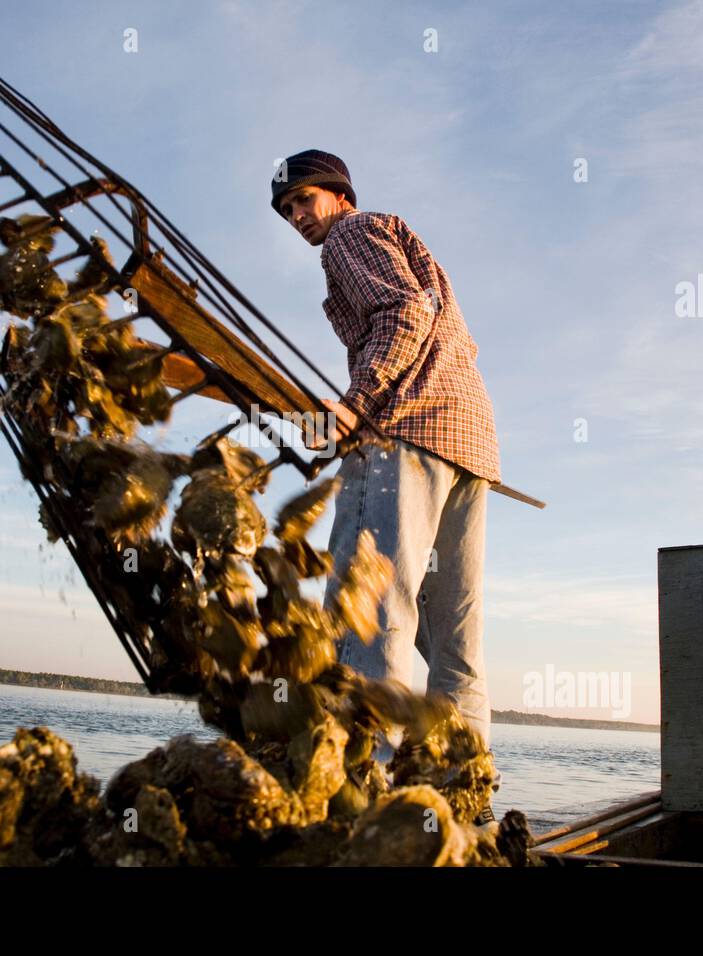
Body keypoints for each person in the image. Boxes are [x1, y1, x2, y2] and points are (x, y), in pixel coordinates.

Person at [271, 150, 502, 825]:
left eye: (304, 201)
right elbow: (436, 322)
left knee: (373, 618)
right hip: (467, 444)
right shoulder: (399, 235)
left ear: (337, 194)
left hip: (401, 437)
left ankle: (365, 803)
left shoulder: (351, 233)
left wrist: (352, 406)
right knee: (454, 642)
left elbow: (402, 312)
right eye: (288, 212)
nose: (297, 218)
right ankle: (467, 802)